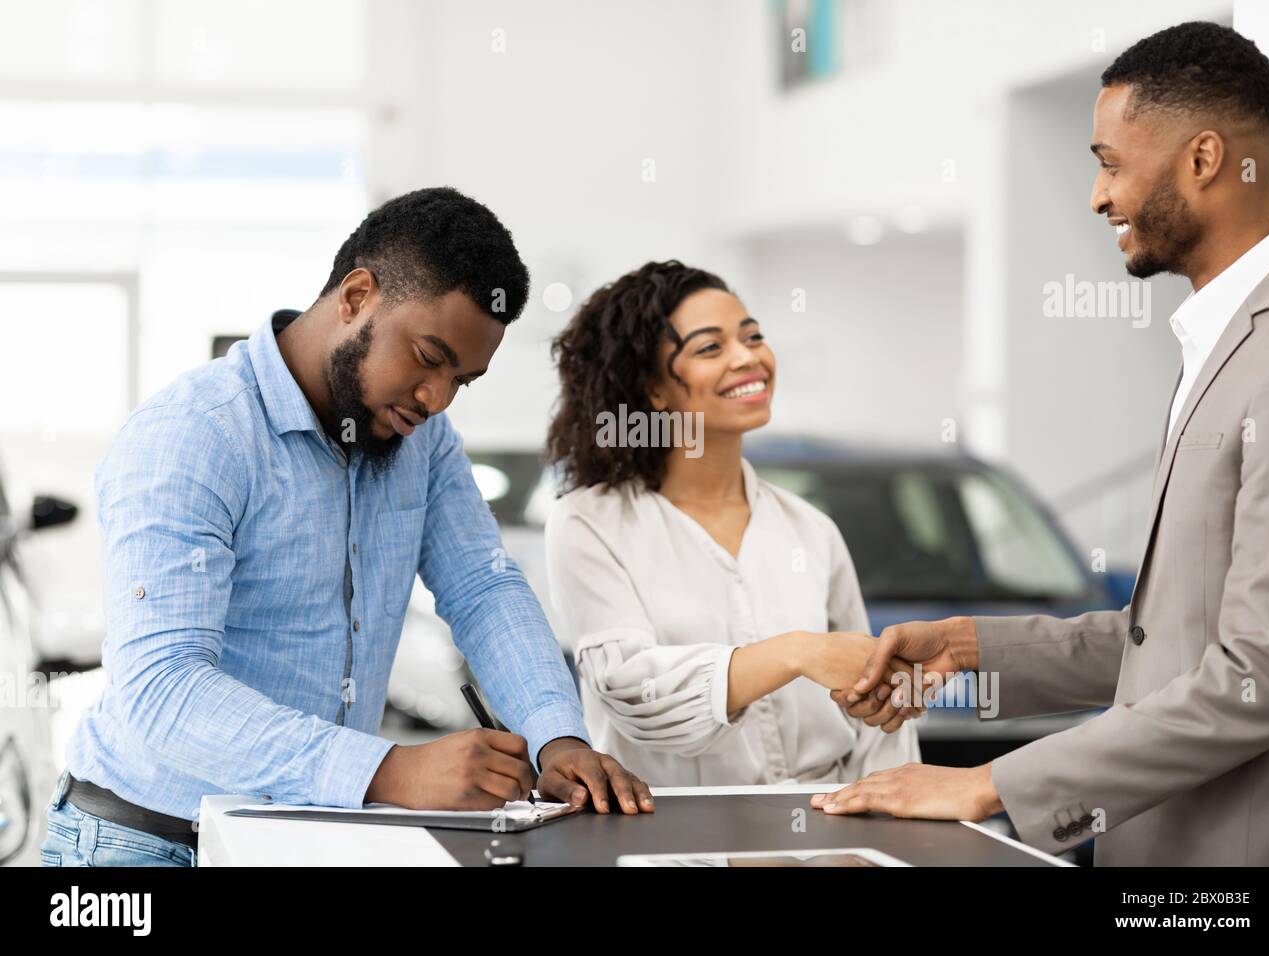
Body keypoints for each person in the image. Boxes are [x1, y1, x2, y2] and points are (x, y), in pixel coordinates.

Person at [42, 187, 651, 868]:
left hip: (306, 842)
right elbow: (163, 689)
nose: (437, 398)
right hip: (144, 844)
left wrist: (556, 738)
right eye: (427, 355)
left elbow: (483, 588)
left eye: (463, 380)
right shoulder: (194, 435)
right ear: (357, 296)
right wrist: (391, 771)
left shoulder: (424, 441)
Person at [821, 22, 1269, 866]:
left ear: (1204, 159)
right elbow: (1175, 642)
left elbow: (1267, 673)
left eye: (1111, 162)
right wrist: (973, 647)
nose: (1096, 197)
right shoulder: (1224, 341)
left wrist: (990, 784)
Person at [543, 260, 919, 787]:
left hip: (828, 831)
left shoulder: (810, 529)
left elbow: (876, 712)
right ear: (653, 389)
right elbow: (632, 694)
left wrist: (889, 815)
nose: (749, 358)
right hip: (673, 838)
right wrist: (797, 653)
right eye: (710, 347)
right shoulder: (589, 524)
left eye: (753, 336)